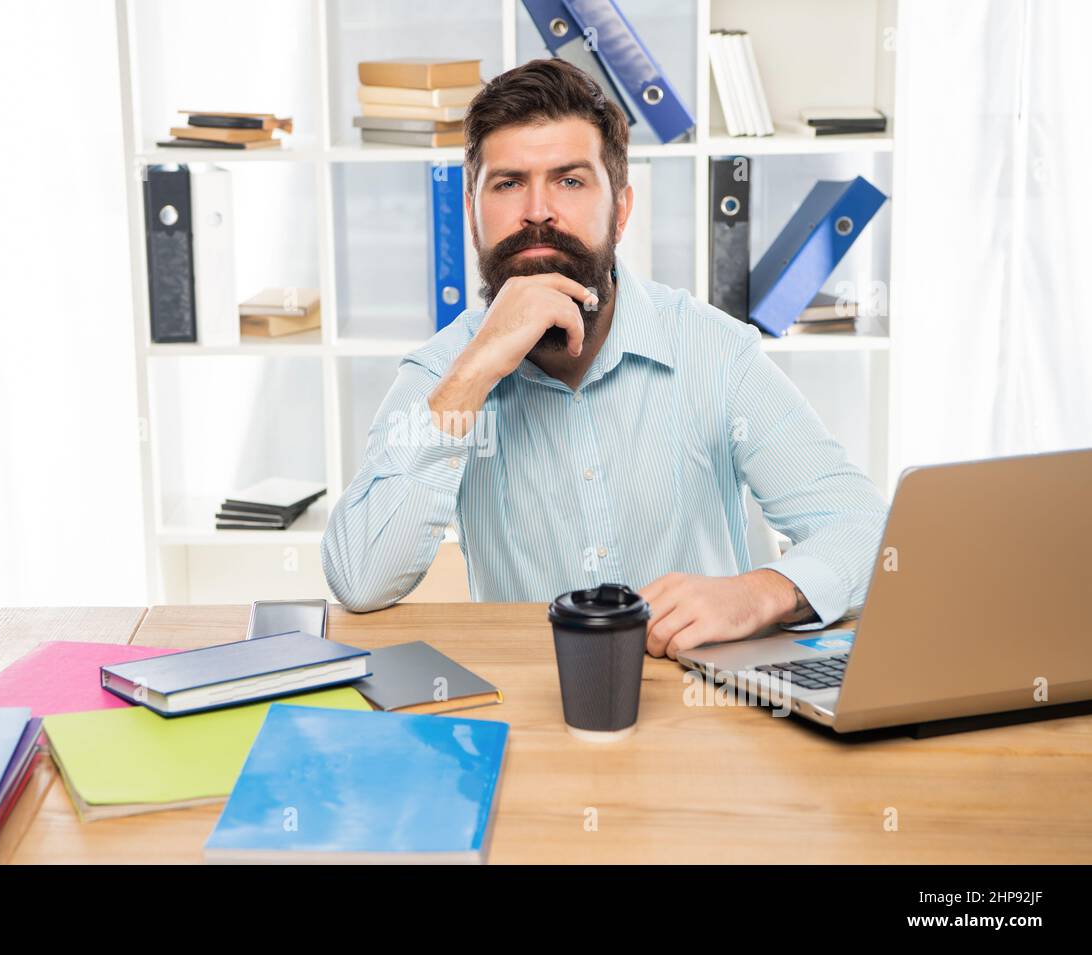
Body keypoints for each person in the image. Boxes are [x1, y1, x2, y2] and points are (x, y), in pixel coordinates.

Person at [321, 58, 889, 659]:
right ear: (471, 212)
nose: (537, 210)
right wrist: (473, 373)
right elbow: (360, 579)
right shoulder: (443, 375)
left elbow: (868, 531)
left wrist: (759, 592)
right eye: (508, 183)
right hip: (535, 702)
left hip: (705, 703)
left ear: (620, 208)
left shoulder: (717, 352)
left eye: (570, 181)